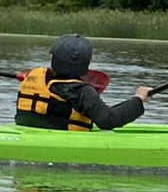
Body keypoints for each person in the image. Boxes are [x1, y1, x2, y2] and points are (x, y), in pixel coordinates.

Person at [14, 34, 152, 132]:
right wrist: (138, 99)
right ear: (89, 63)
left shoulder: (34, 76)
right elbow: (108, 120)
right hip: (64, 140)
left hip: (27, 132)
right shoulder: (80, 90)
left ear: (51, 58)